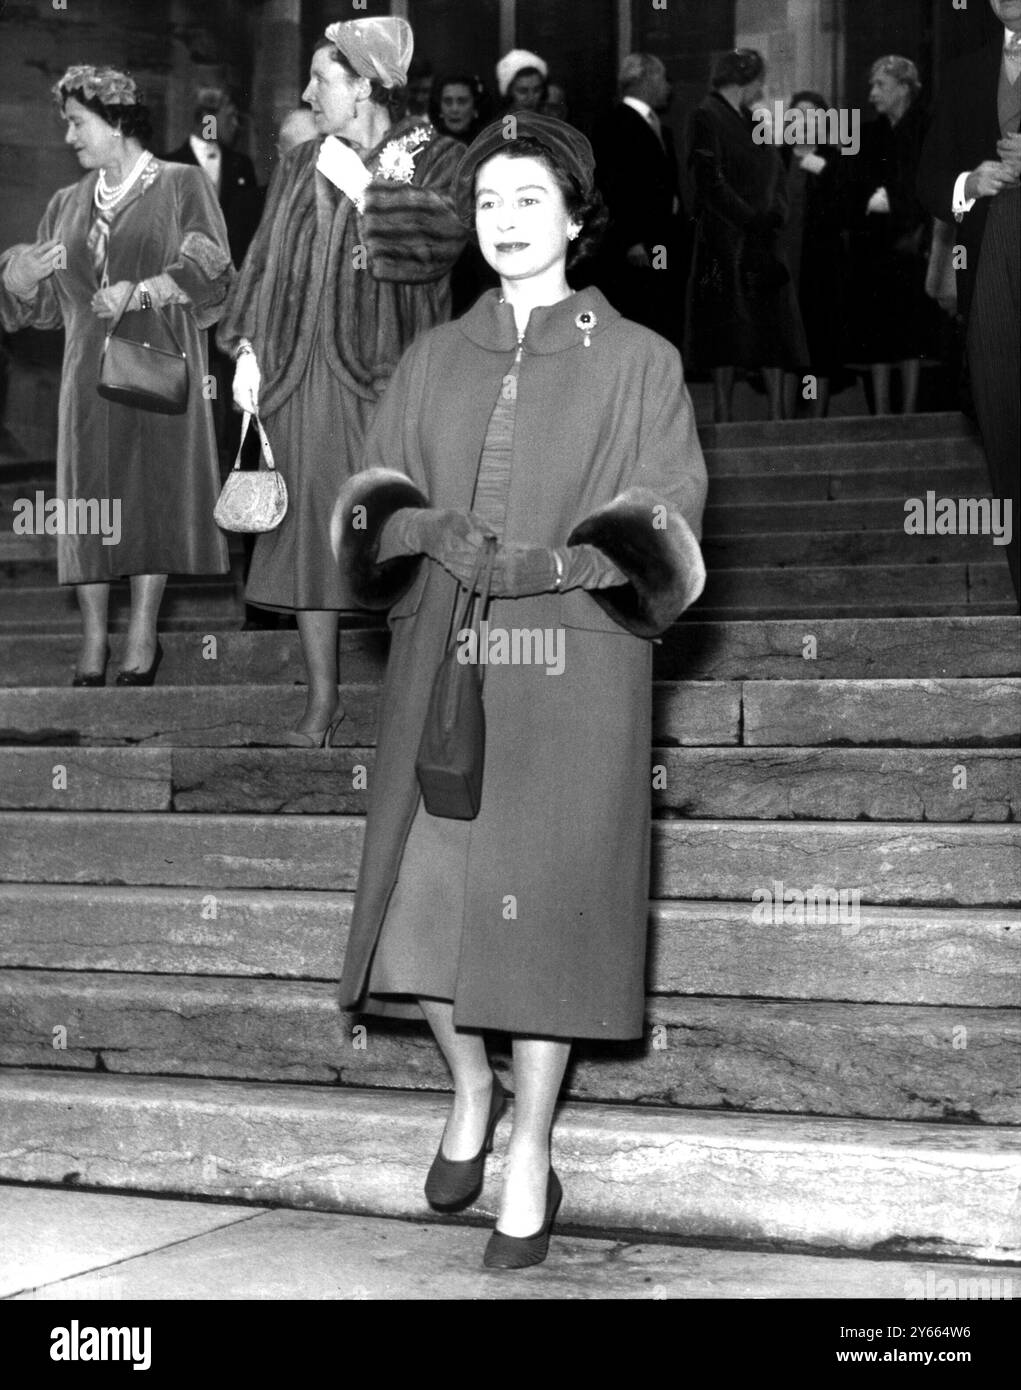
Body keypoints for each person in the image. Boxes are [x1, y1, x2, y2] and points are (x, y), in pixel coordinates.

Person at [330, 113, 707, 1268]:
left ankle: (533, 1149)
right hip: (445, 646)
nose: (504, 221)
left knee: (544, 921)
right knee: (421, 900)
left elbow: (669, 521)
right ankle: (468, 1086)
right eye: (489, 202)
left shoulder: (638, 357)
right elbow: (365, 503)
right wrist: (423, 528)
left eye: (528, 200)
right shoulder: (435, 354)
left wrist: (557, 563)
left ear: (576, 218)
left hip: (575, 659)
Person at [216, 17, 466, 745]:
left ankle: (419, 702)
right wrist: (247, 353)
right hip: (298, 377)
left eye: (322, 79)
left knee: (392, 537)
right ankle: (322, 705)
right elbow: (262, 261)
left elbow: (441, 243)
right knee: (302, 549)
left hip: (383, 381)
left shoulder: (435, 155)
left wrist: (369, 193)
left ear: (362, 87)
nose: (305, 92)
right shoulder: (299, 161)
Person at [0, 64, 231, 685]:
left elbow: (212, 270)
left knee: (150, 499)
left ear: (116, 120)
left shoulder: (181, 184)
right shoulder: (65, 204)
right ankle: (93, 639)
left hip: (157, 368)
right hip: (85, 380)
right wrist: (17, 282)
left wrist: (146, 291)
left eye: (77, 123)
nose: (69, 136)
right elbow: (48, 308)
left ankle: (141, 635)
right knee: (89, 508)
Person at [918, 0, 1021, 601]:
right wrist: (969, 184)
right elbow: (929, 179)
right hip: (991, 277)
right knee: (1007, 446)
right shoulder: (964, 72)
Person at [685, 49, 808, 422]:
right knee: (725, 331)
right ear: (746, 80)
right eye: (759, 80)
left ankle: (776, 414)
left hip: (763, 240)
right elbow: (709, 179)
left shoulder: (753, 119)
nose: (761, 87)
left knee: (773, 330)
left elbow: (776, 174)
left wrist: (774, 215)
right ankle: (723, 413)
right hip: (725, 241)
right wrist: (747, 218)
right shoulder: (705, 114)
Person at [847, 57, 936, 414]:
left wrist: (896, 203)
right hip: (875, 244)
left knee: (910, 333)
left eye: (880, 85)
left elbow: (931, 181)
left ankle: (910, 413)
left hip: (913, 241)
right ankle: (881, 413)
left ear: (904, 87)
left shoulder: (928, 127)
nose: (872, 94)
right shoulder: (870, 133)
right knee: (877, 331)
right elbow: (854, 183)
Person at [594, 52, 685, 345]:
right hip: (637, 247)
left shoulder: (658, 127)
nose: (667, 87)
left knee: (660, 315)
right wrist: (630, 240)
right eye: (663, 78)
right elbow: (612, 186)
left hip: (662, 239)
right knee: (640, 316)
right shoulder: (614, 124)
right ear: (646, 79)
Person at [779, 90, 853, 418]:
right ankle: (781, 419)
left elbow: (843, 211)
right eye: (797, 115)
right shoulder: (776, 158)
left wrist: (822, 171)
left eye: (811, 116)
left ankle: (816, 420)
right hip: (781, 265)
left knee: (818, 342)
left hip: (819, 265)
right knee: (783, 344)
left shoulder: (834, 160)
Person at [430, 73, 487, 143]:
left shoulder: (486, 143)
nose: (454, 109)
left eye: (462, 102)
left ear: (475, 107)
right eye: (448, 102)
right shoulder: (428, 144)